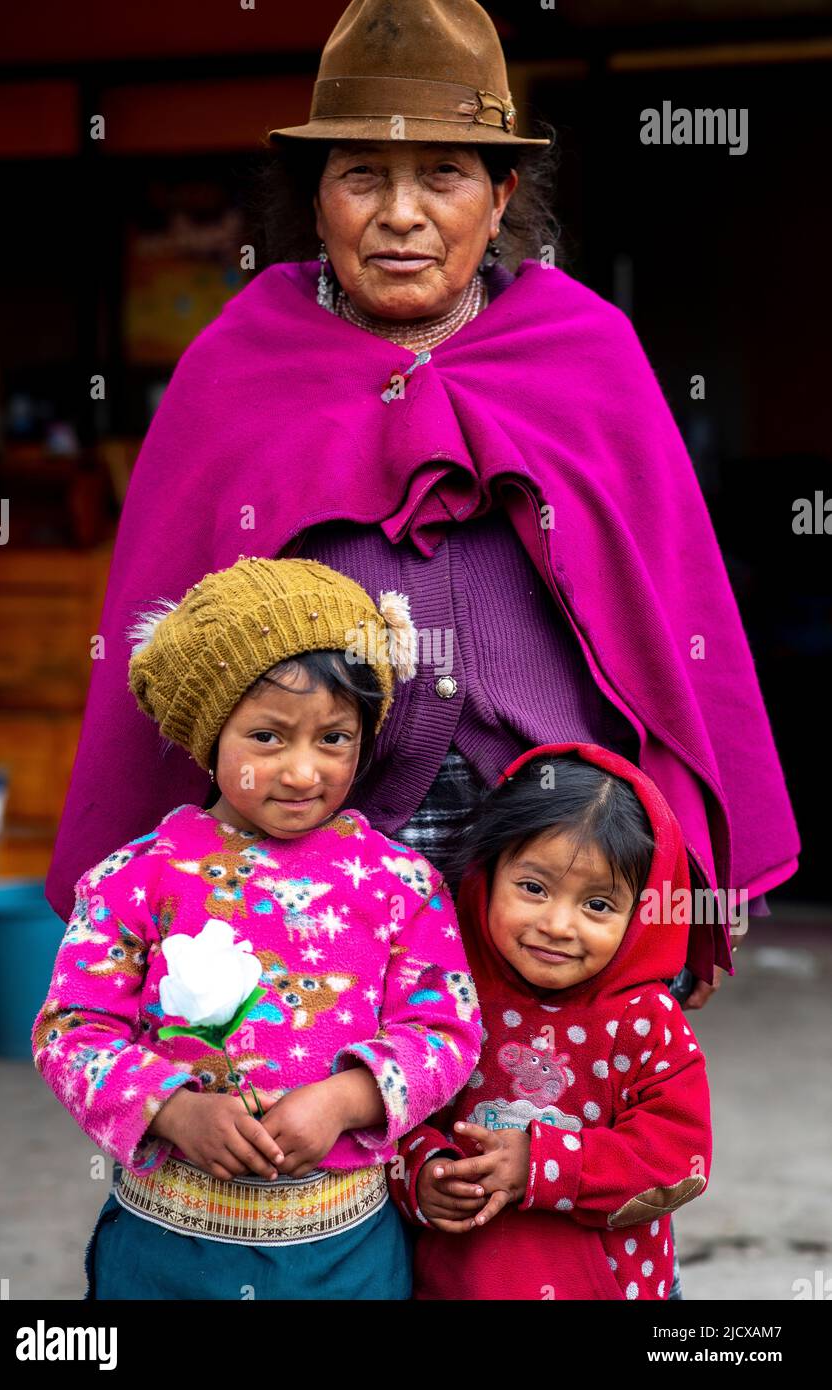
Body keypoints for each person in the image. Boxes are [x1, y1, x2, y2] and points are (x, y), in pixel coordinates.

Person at [43, 0, 799, 1297]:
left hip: (542, 841)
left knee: (524, 1157)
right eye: (362, 175)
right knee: (346, 1146)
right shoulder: (241, 365)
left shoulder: (586, 354)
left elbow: (667, 610)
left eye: (441, 173)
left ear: (500, 196)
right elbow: (171, 638)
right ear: (311, 196)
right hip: (326, 834)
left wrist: (661, 855)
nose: (401, 212)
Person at [31, 557, 482, 1300]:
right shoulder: (136, 878)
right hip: (169, 1254)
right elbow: (71, 1031)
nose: (305, 772)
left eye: (334, 739)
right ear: (211, 736)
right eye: (269, 738)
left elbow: (447, 1031)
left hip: (348, 1257)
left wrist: (346, 1100)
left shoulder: (401, 883)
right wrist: (172, 1109)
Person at [387, 742, 712, 1300]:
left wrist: (541, 1165)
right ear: (487, 875)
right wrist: (422, 1174)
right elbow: (393, 1114)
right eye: (533, 888)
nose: (558, 925)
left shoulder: (642, 1019)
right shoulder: (446, 995)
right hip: (455, 1283)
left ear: (643, 914)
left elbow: (681, 1158)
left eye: (599, 905)